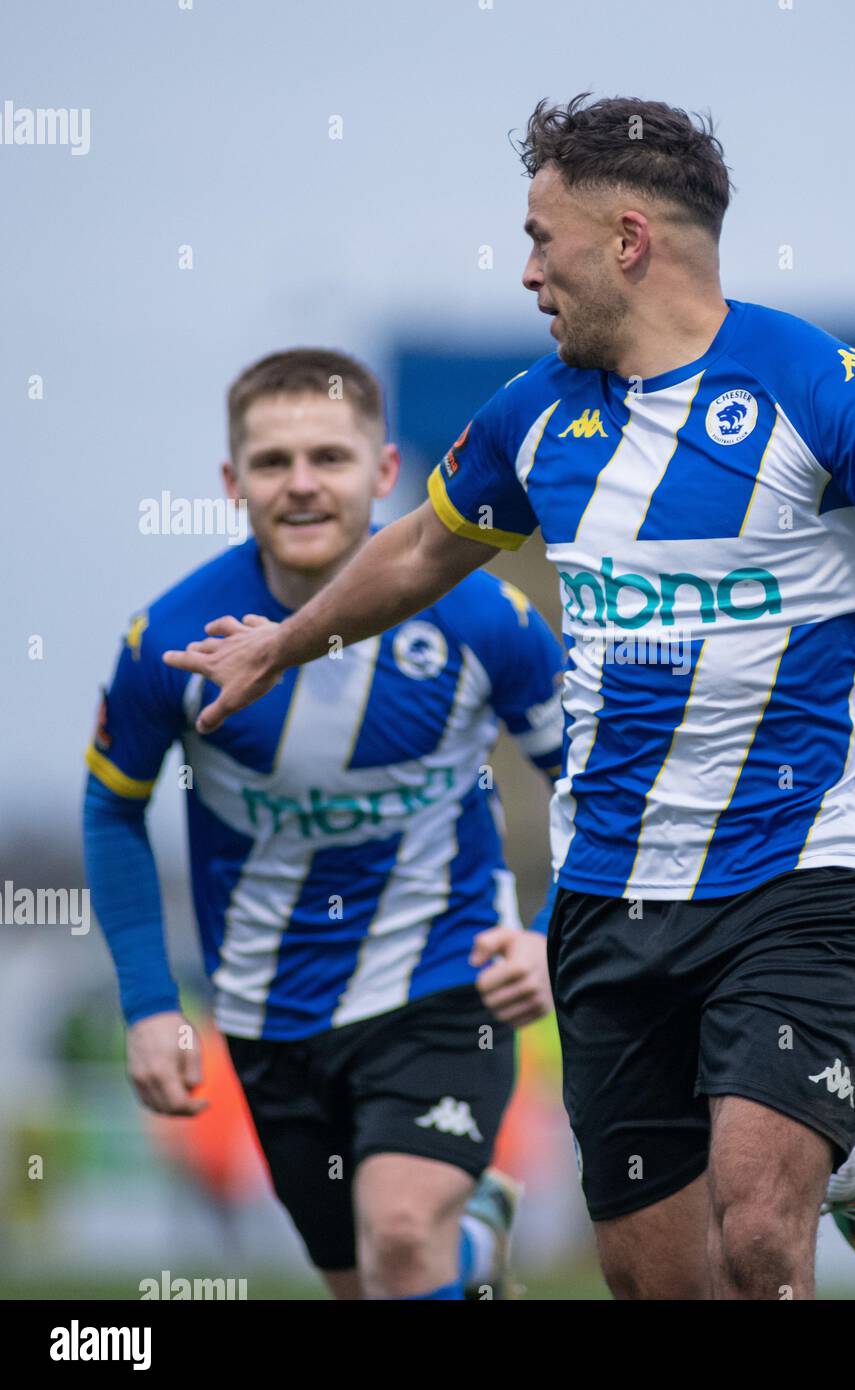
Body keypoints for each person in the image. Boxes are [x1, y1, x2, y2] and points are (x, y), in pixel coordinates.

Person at [161, 97, 855, 1300]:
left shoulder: (823, 385)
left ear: (629, 240)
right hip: (608, 900)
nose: (528, 270)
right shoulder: (533, 415)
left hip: (794, 877)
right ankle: (853, 1134)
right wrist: (285, 641)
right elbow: (419, 553)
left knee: (759, 1238)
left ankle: (827, 1140)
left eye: (544, 238)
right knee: (659, 1279)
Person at [84, 349, 564, 1300]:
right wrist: (147, 1005)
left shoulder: (485, 618)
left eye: (329, 458)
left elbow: (597, 782)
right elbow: (112, 807)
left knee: (396, 1241)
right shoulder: (169, 640)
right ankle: (476, 1254)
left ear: (386, 472)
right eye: (271, 462)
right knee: (366, 1283)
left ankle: (448, 1248)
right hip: (268, 1011)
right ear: (232, 483)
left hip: (441, 988)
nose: (300, 484)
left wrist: (556, 939)